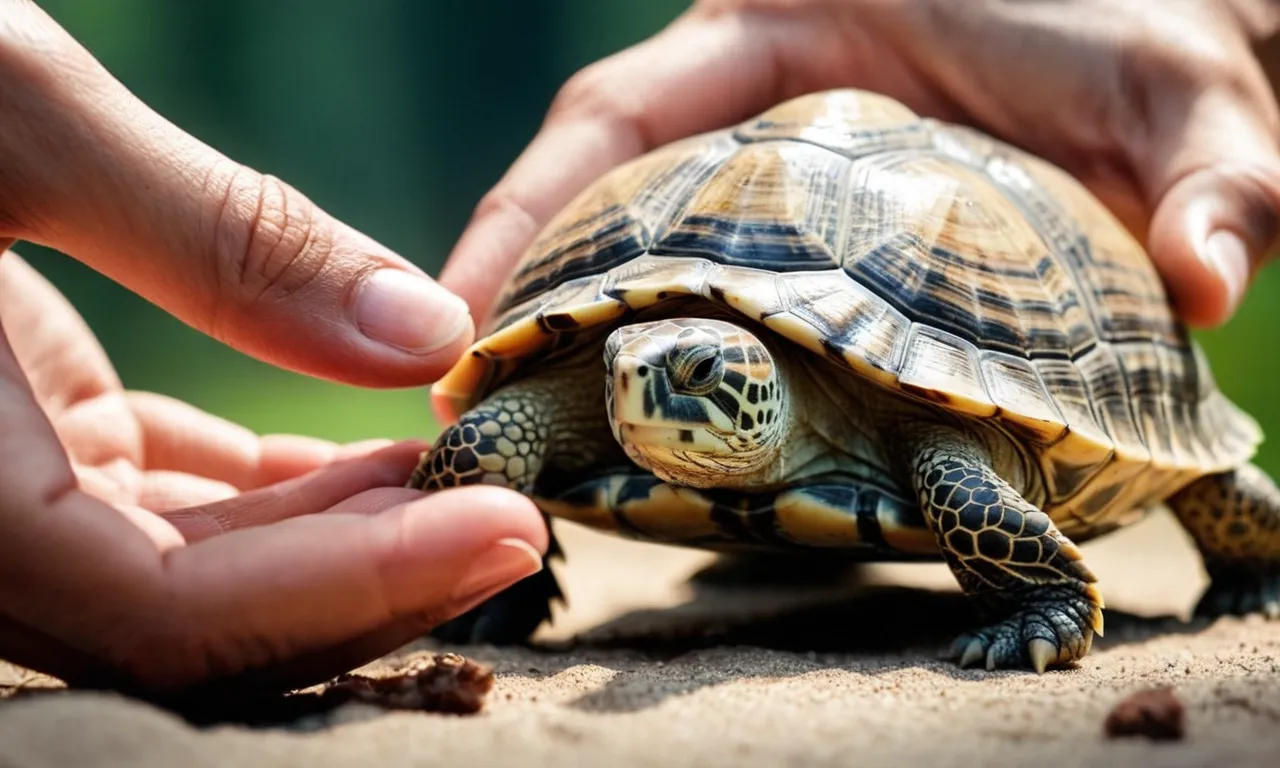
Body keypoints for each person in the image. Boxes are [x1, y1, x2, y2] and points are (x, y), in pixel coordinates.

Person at [1, 0, 1276, 697]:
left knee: (1058, 480)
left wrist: (1042, 590)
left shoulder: (919, 436)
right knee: (494, 441)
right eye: (631, 370)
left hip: (958, 383)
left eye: (694, 377)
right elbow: (504, 420)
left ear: (761, 386)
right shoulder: (593, 395)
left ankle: (1115, 574)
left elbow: (959, 450)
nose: (646, 388)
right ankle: (503, 570)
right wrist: (482, 517)